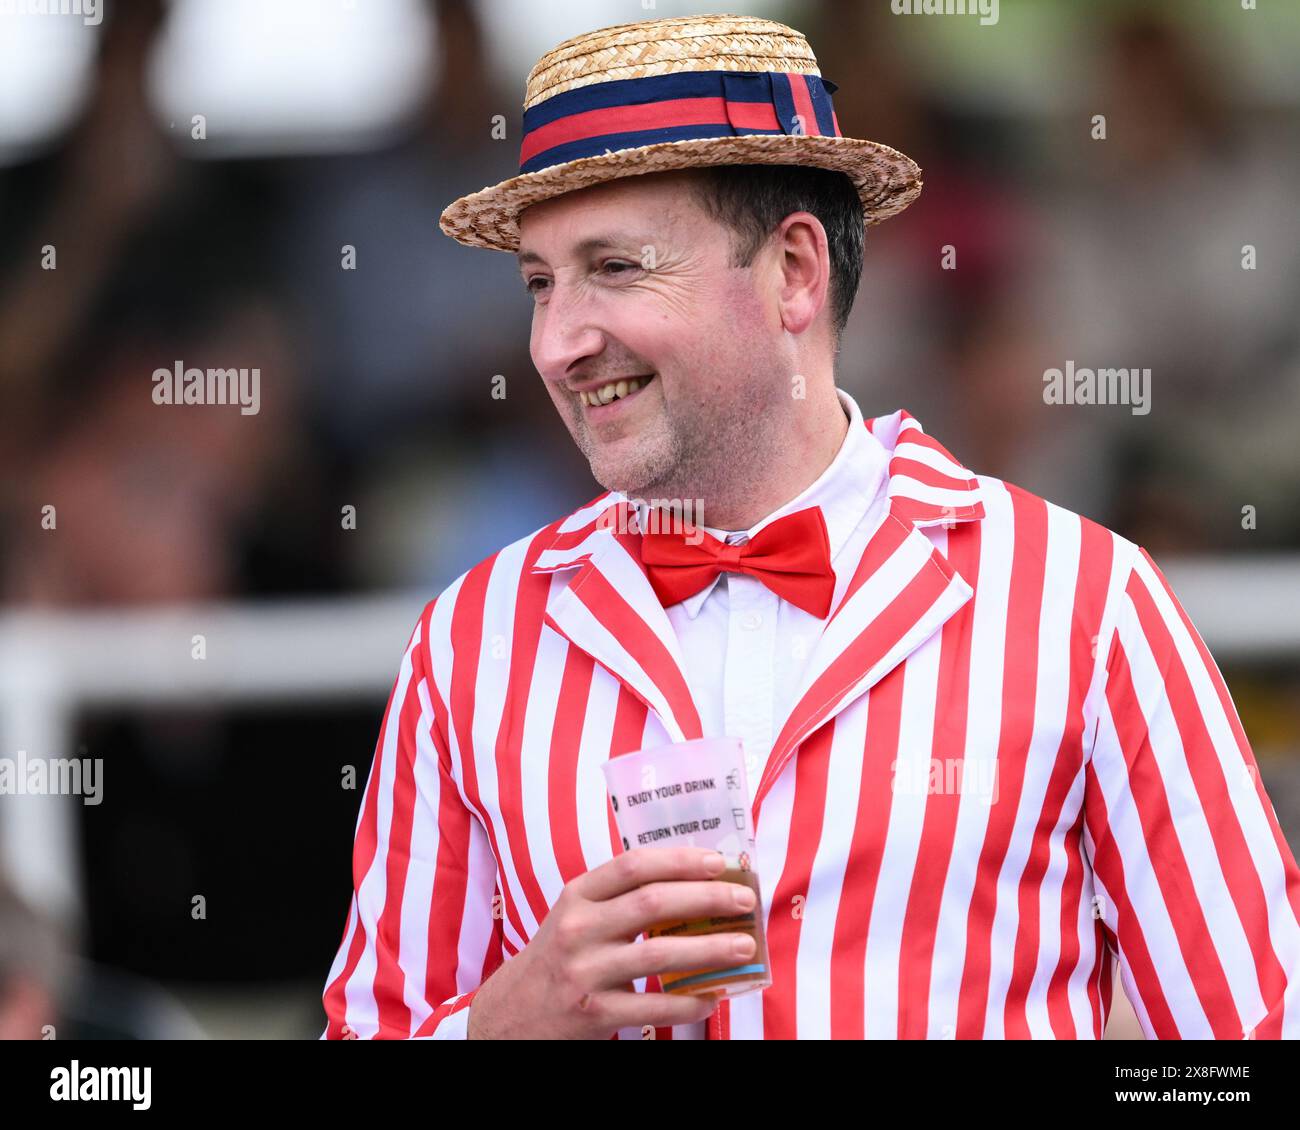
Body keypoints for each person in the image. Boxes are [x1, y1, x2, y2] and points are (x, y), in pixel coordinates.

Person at [320, 13, 1300, 1040]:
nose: (558, 341)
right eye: (538, 283)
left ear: (793, 270)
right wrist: (501, 1025)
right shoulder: (469, 645)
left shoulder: (1084, 604)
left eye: (613, 267)